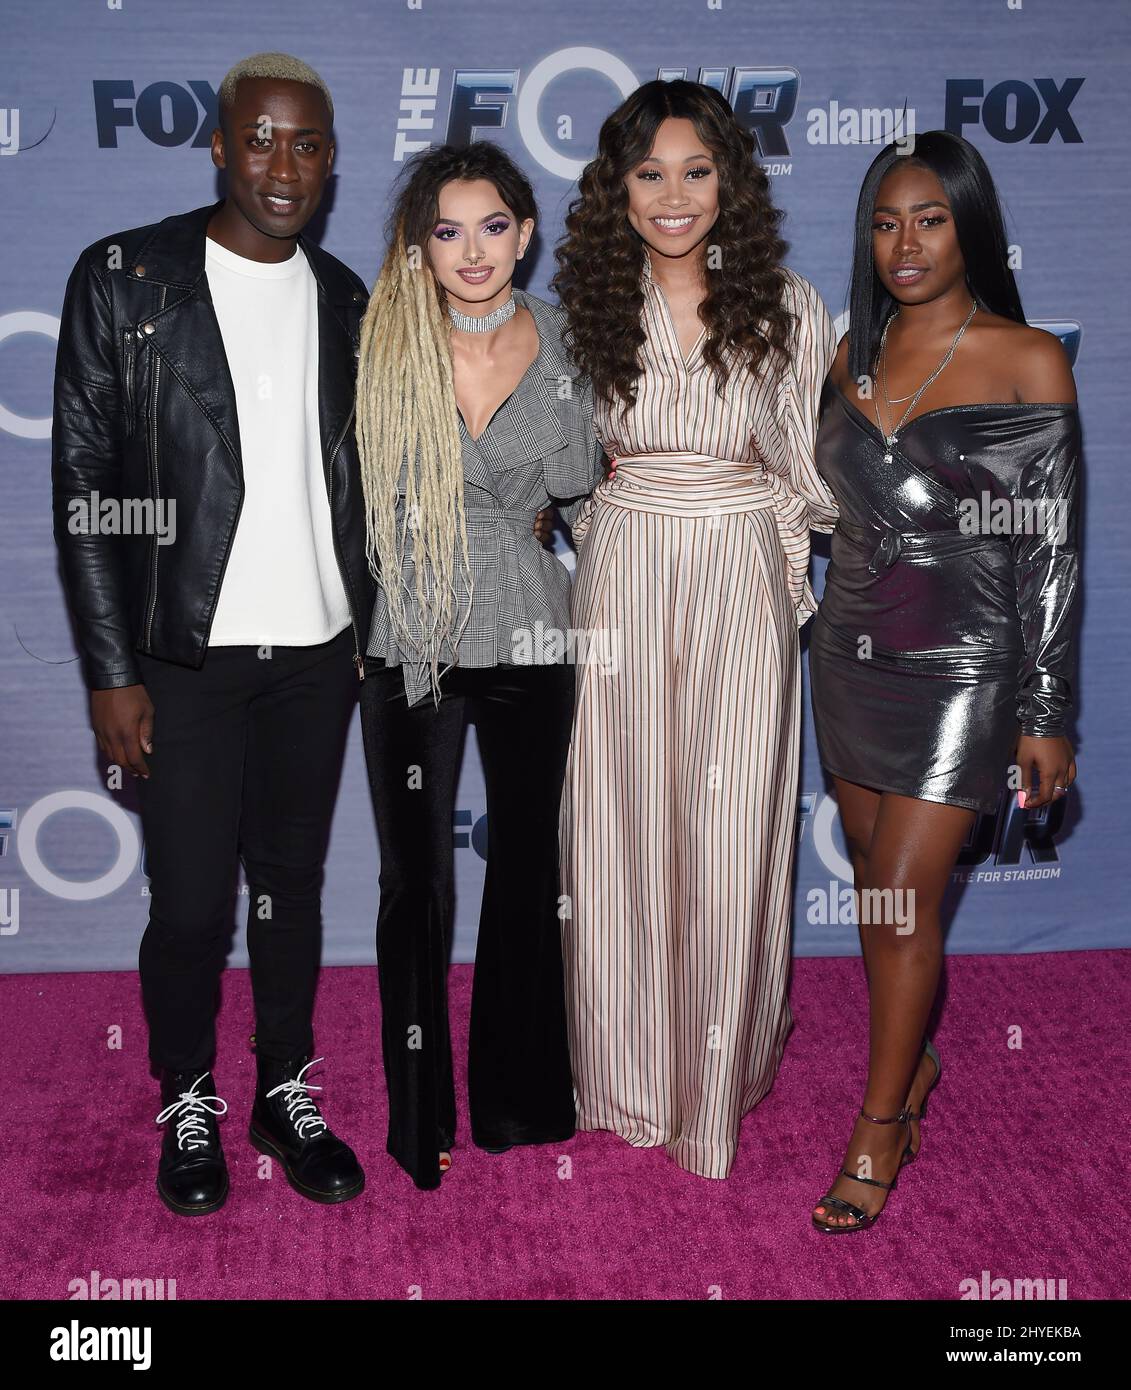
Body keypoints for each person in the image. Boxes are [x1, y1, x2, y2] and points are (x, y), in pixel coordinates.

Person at [51, 53, 375, 1214]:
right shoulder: (126, 278)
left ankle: (286, 1092)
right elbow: (87, 486)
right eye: (261, 140)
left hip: (318, 654)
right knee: (190, 902)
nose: (282, 166)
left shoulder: (350, 300)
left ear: (330, 162)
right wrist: (109, 671)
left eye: (307, 146)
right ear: (219, 146)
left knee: (288, 887)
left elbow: (372, 484)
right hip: (181, 655)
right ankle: (187, 1097)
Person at [553, 80, 839, 1180]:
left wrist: (777, 563)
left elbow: (807, 477)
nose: (674, 198)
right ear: (616, 187)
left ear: (733, 181)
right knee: (617, 821)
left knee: (729, 831)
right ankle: (623, 1075)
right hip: (621, 568)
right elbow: (563, 465)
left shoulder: (788, 306)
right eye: (648, 173)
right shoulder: (578, 306)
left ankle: (713, 1083)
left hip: (737, 568)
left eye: (698, 171)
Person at [808, 131, 1080, 1232]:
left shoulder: (1025, 357)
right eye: (884, 221)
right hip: (850, 657)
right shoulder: (844, 359)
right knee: (878, 890)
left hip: (966, 669)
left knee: (907, 898)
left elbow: (1051, 549)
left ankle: (878, 1127)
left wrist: (1046, 710)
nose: (904, 241)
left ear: (970, 223)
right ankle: (910, 1067)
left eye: (928, 217)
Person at [354, 141, 605, 1191]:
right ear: (418, 248)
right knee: (415, 883)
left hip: (530, 632)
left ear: (527, 232)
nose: (472, 251)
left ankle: (520, 1099)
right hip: (409, 629)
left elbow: (591, 498)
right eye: (446, 231)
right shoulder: (377, 344)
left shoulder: (568, 344)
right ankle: (421, 1120)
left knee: (525, 875)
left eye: (492, 226)